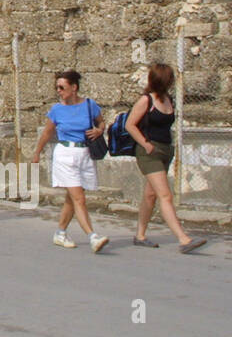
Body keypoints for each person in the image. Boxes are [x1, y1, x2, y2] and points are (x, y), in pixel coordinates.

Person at [126, 63, 205, 253]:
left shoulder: (169, 99)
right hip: (149, 152)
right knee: (165, 195)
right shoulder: (146, 100)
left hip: (165, 150)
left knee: (150, 195)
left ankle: (140, 235)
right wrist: (145, 143)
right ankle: (183, 239)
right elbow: (130, 125)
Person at [32, 70, 109, 252]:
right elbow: (47, 133)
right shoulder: (57, 110)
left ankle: (60, 232)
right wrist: (37, 153)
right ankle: (92, 236)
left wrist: (99, 131)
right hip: (65, 154)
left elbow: (102, 123)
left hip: (85, 154)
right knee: (79, 198)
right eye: (57, 87)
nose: (58, 90)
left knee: (72, 197)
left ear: (74, 88)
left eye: (62, 87)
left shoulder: (90, 105)